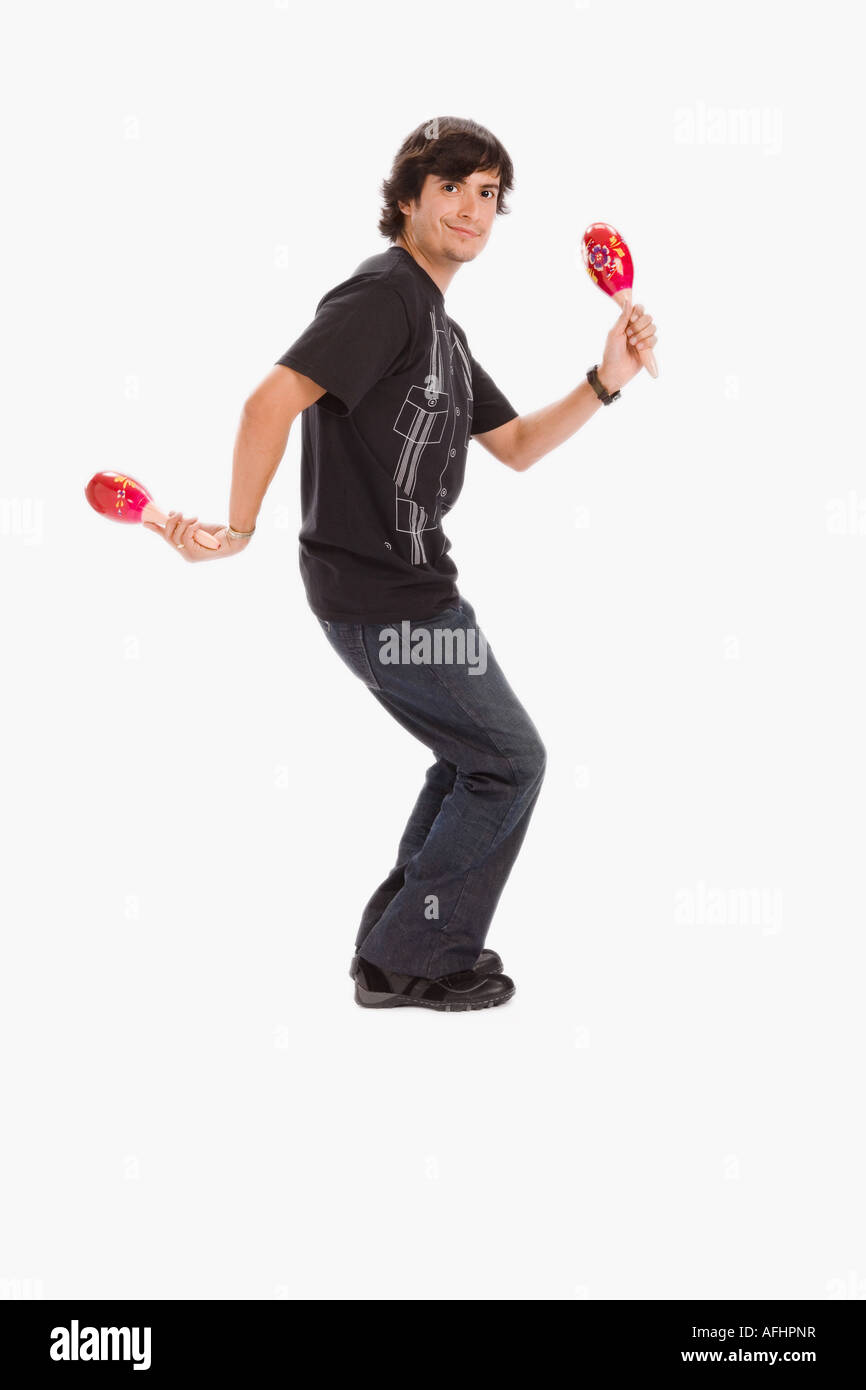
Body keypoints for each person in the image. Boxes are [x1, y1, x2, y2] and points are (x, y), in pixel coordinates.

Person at [145, 116, 658, 1013]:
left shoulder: (440, 330)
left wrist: (605, 379)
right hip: (387, 601)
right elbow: (270, 401)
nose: (472, 208)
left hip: (412, 594)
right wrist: (236, 530)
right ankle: (413, 959)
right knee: (509, 761)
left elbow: (520, 446)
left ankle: (397, 942)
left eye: (490, 193)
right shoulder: (384, 296)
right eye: (453, 187)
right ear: (409, 199)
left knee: (472, 760)